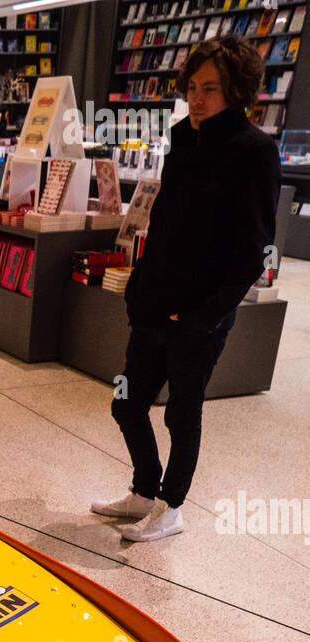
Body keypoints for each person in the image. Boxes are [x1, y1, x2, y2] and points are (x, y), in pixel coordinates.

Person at [94, 36, 280, 542]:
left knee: (181, 412)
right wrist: (139, 285)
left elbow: (257, 247)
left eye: (211, 89)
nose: (197, 99)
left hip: (200, 315)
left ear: (237, 91)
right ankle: (143, 489)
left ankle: (170, 506)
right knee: (126, 402)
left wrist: (207, 315)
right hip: (154, 301)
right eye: (193, 87)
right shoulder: (181, 138)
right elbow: (166, 222)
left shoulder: (256, 151)